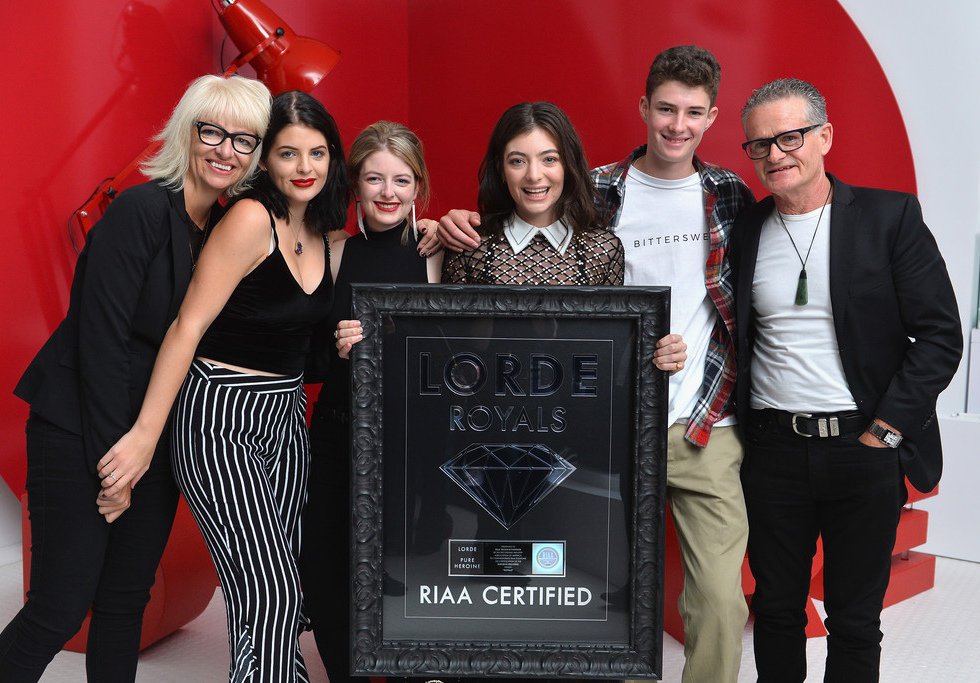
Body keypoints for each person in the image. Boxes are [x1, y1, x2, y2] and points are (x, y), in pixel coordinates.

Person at [437, 46, 750, 683]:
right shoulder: (597, 192)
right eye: (665, 108)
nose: (676, 125)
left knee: (720, 599)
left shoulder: (732, 198)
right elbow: (535, 248)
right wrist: (451, 224)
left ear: (712, 117)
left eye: (693, 112)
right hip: (603, 427)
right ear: (643, 107)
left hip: (701, 422)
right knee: (574, 583)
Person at [1, 74, 270, 682]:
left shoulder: (222, 231)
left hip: (154, 438)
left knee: (126, 602)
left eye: (245, 141)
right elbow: (99, 342)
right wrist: (114, 467)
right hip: (81, 427)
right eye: (213, 132)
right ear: (187, 131)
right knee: (59, 606)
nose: (226, 151)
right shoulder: (140, 210)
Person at [97, 90, 349, 682]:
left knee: (285, 586)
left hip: (286, 417)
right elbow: (186, 329)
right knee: (270, 588)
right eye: (288, 154)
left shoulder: (322, 231)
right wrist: (142, 437)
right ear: (265, 160)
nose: (305, 168)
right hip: (221, 413)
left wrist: (435, 227)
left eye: (318, 153)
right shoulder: (248, 219)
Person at [731, 77, 962, 682]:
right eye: (759, 145)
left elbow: (940, 336)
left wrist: (885, 432)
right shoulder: (745, 232)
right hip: (773, 452)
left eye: (791, 137)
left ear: (825, 137)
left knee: (856, 619)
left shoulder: (889, 218)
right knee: (777, 609)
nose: (776, 154)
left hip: (863, 447)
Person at [300, 120, 441, 683]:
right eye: (375, 178)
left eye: (401, 180)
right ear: (354, 185)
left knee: (403, 568)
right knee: (328, 567)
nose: (388, 192)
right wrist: (334, 350)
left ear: (418, 186)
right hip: (337, 432)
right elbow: (302, 354)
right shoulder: (329, 253)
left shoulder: (437, 253)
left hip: (414, 440)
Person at [440, 101, 624, 286]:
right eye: (518, 161)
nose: (534, 176)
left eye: (549, 159)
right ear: (501, 169)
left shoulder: (604, 250)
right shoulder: (469, 246)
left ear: (568, 166)